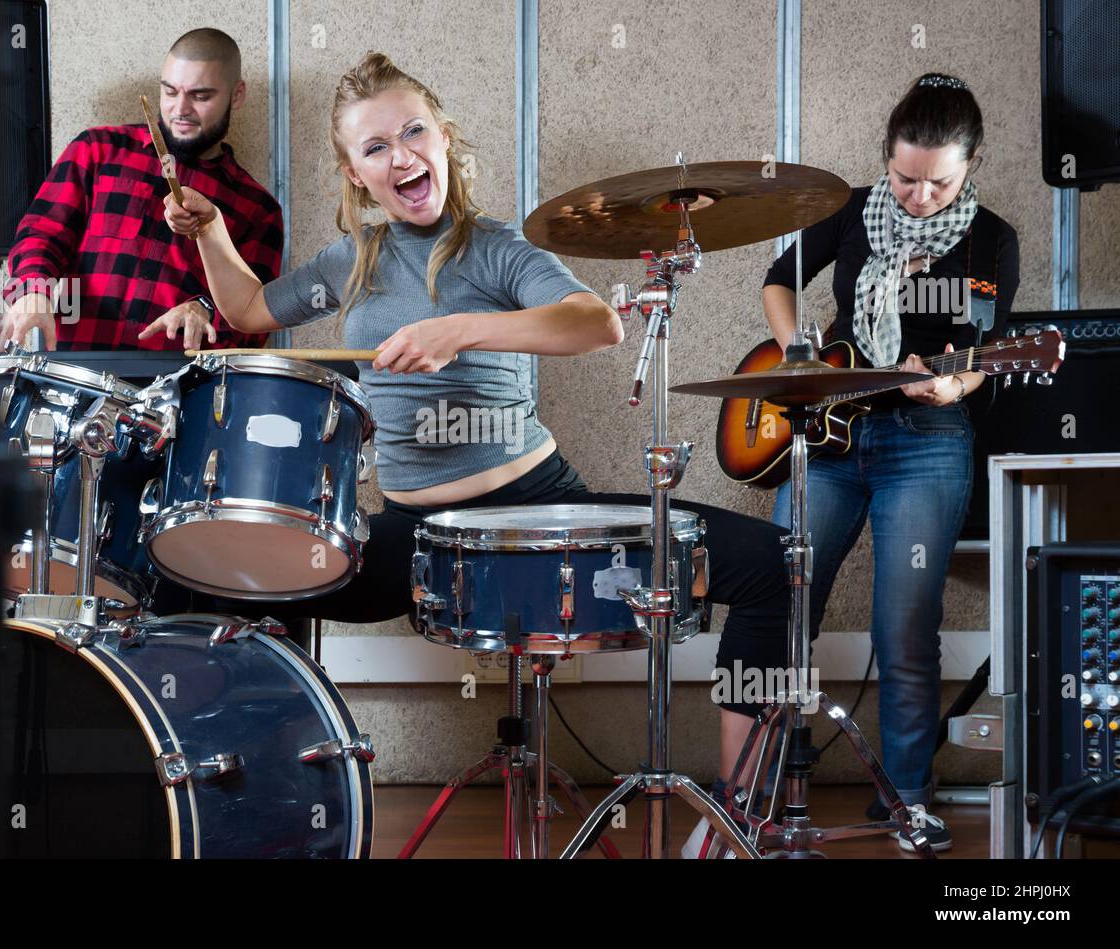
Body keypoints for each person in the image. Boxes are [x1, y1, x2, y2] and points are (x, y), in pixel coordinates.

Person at [162, 51, 791, 849]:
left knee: (772, 563)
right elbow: (250, 306)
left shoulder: (494, 248)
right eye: (376, 147)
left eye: (414, 131)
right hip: (418, 535)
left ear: (445, 139)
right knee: (224, 578)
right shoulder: (348, 266)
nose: (402, 155)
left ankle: (733, 814)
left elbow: (593, 321)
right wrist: (213, 232)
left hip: (536, 507)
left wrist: (460, 327)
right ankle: (256, 812)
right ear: (357, 175)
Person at [762, 73, 1020, 852]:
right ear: (887, 160)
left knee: (904, 625)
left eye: (938, 181)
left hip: (925, 443)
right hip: (831, 435)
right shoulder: (851, 210)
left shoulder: (992, 242)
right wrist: (796, 351)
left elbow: (985, 355)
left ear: (971, 165)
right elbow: (779, 280)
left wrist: (955, 382)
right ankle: (766, 779)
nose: (917, 195)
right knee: (778, 603)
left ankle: (907, 797)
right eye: (905, 177)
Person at [0, 28, 283, 352]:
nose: (180, 109)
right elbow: (43, 233)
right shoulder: (99, 150)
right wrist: (34, 291)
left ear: (237, 95)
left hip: (180, 392)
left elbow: (257, 319)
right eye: (170, 92)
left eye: (200, 96)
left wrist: (204, 306)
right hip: (77, 377)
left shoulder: (258, 209)